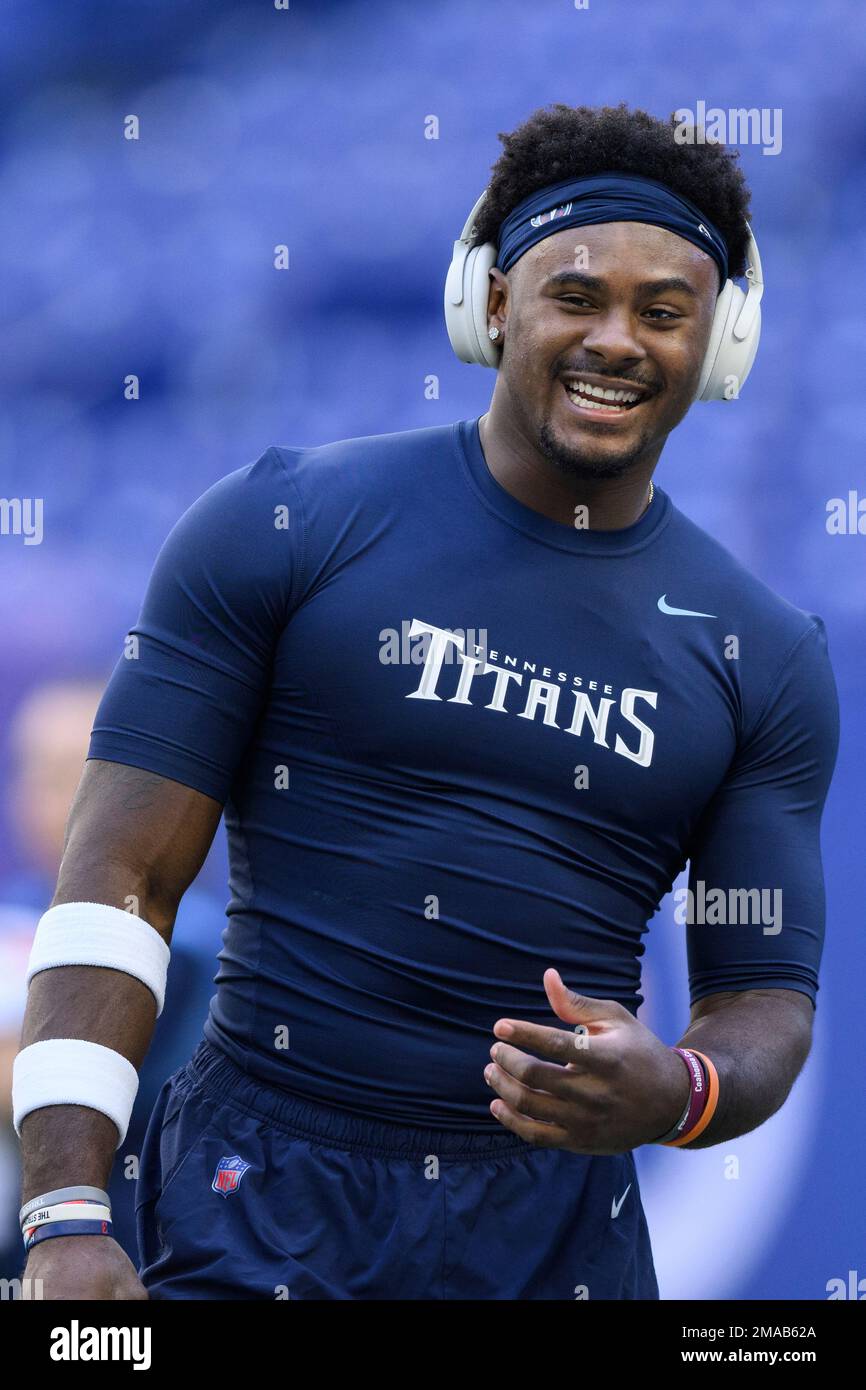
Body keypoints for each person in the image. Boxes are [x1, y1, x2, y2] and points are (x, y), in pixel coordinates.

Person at [14, 103, 838, 1301]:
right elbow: (117, 886)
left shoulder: (761, 652)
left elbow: (759, 997)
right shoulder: (284, 523)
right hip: (258, 1203)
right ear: (490, 304)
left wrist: (678, 1089)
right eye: (574, 296)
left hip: (555, 1238)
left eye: (663, 311)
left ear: (720, 345)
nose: (617, 338)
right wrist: (66, 1215)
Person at [0, 680, 219, 1278]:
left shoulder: (186, 941)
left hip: (125, 1248)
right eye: (37, 775)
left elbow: (105, 1081)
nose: (54, 801)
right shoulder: (10, 912)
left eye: (76, 776)